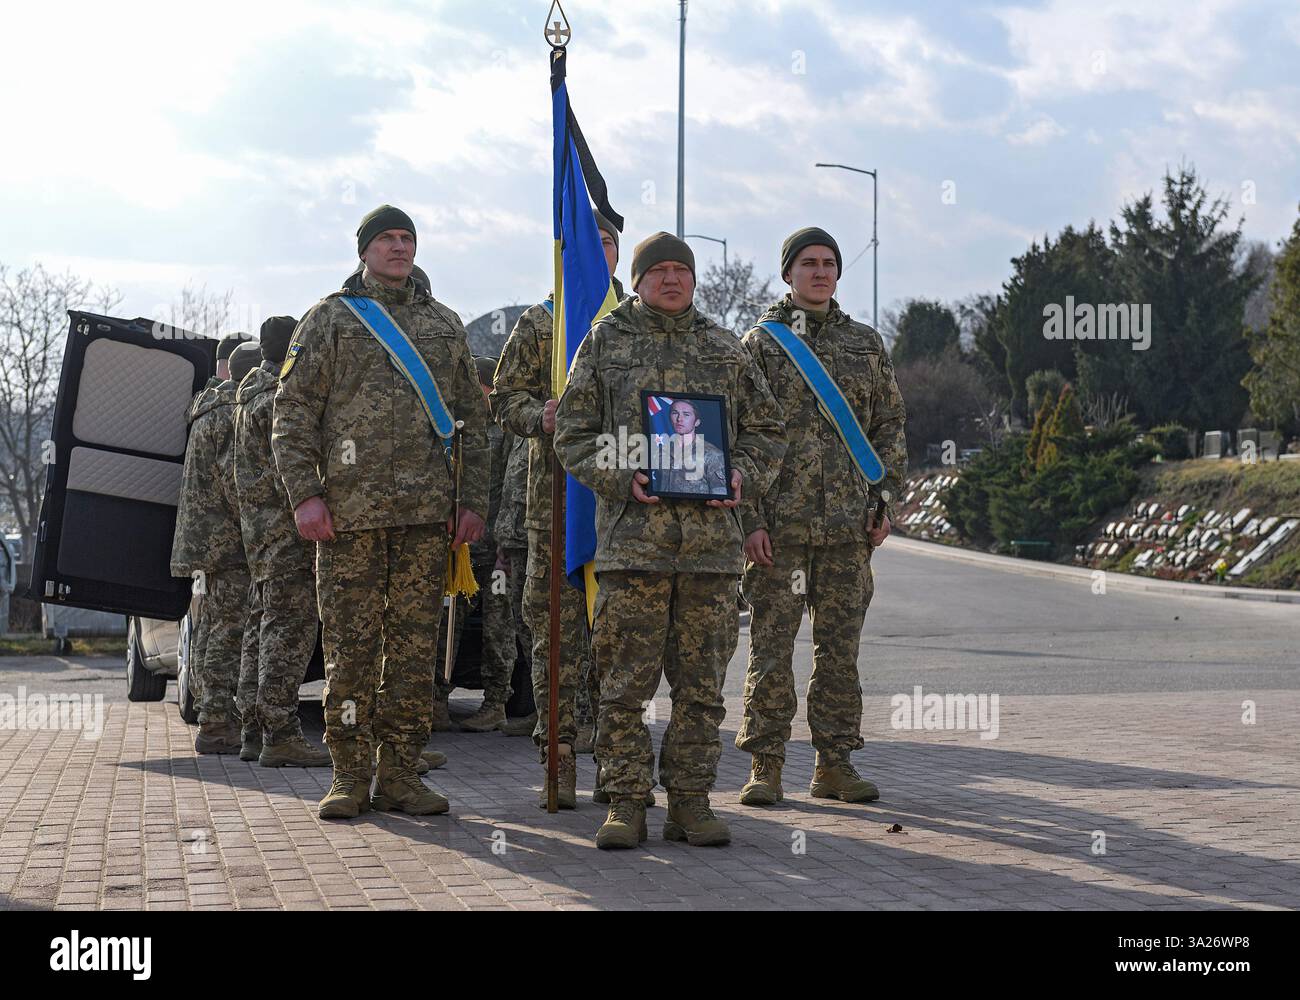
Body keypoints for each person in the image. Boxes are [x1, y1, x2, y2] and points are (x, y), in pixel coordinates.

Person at [553, 232, 787, 849]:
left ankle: (690, 802)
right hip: (634, 548)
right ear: (637, 281)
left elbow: (768, 430)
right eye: (659, 271)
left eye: (682, 270)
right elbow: (572, 433)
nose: (672, 280)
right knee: (624, 685)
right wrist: (621, 473)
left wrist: (744, 475)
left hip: (711, 552)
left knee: (701, 689)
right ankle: (626, 804)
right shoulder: (605, 343)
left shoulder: (725, 348)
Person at [273, 204, 489, 820]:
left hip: (425, 518)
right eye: (387, 239)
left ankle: (400, 773)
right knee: (349, 650)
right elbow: (291, 416)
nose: (399, 247)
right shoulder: (330, 321)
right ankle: (348, 775)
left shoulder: (444, 325)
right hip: (348, 518)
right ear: (364, 250)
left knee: (415, 650)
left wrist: (471, 501)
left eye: (407, 238)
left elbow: (474, 422)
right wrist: (305, 495)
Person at [735, 227, 907, 806]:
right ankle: (766, 765)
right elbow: (739, 437)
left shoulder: (865, 344)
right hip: (778, 531)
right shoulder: (759, 345)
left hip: (846, 531)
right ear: (788, 273)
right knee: (771, 648)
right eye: (808, 263)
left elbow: (889, 426)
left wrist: (884, 502)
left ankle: (834, 765)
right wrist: (750, 519)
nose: (821, 271)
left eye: (829, 263)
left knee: (840, 652)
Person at [490, 211, 625, 809]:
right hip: (556, 505)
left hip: (627, 510)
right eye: (588, 246)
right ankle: (559, 753)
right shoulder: (540, 323)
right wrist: (533, 416)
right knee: (556, 636)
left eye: (608, 245)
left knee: (622, 638)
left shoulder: (638, 327)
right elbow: (504, 399)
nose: (599, 255)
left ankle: (619, 761)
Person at [232, 318, 331, 768]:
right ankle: (280, 733)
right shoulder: (276, 400)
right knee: (289, 630)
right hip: (287, 534)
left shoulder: (247, 395)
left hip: (260, 534)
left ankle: (254, 728)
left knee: (261, 627)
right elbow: (292, 469)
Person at [171, 335, 253, 755]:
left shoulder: (204, 408)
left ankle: (210, 709)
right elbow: (234, 482)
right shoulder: (228, 415)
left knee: (210, 626)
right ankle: (217, 722)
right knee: (227, 628)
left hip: (204, 540)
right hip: (227, 542)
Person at [456, 356, 518, 733]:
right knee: (450, 626)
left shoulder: (505, 431)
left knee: (499, 629)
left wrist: (506, 544)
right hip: (463, 551)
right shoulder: (462, 429)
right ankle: (435, 699)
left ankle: (496, 702)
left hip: (497, 549)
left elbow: (513, 486)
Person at [493, 432, 536, 737]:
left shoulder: (552, 410)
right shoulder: (520, 423)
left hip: (542, 534)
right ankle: (545, 711)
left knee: (551, 630)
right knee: (525, 626)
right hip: (517, 535)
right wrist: (504, 539)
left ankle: (577, 718)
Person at [653, 398, 729, 497]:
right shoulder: (661, 451)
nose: (679, 419)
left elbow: (720, 498)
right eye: (675, 413)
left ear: (697, 422)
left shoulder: (712, 455)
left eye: (686, 414)